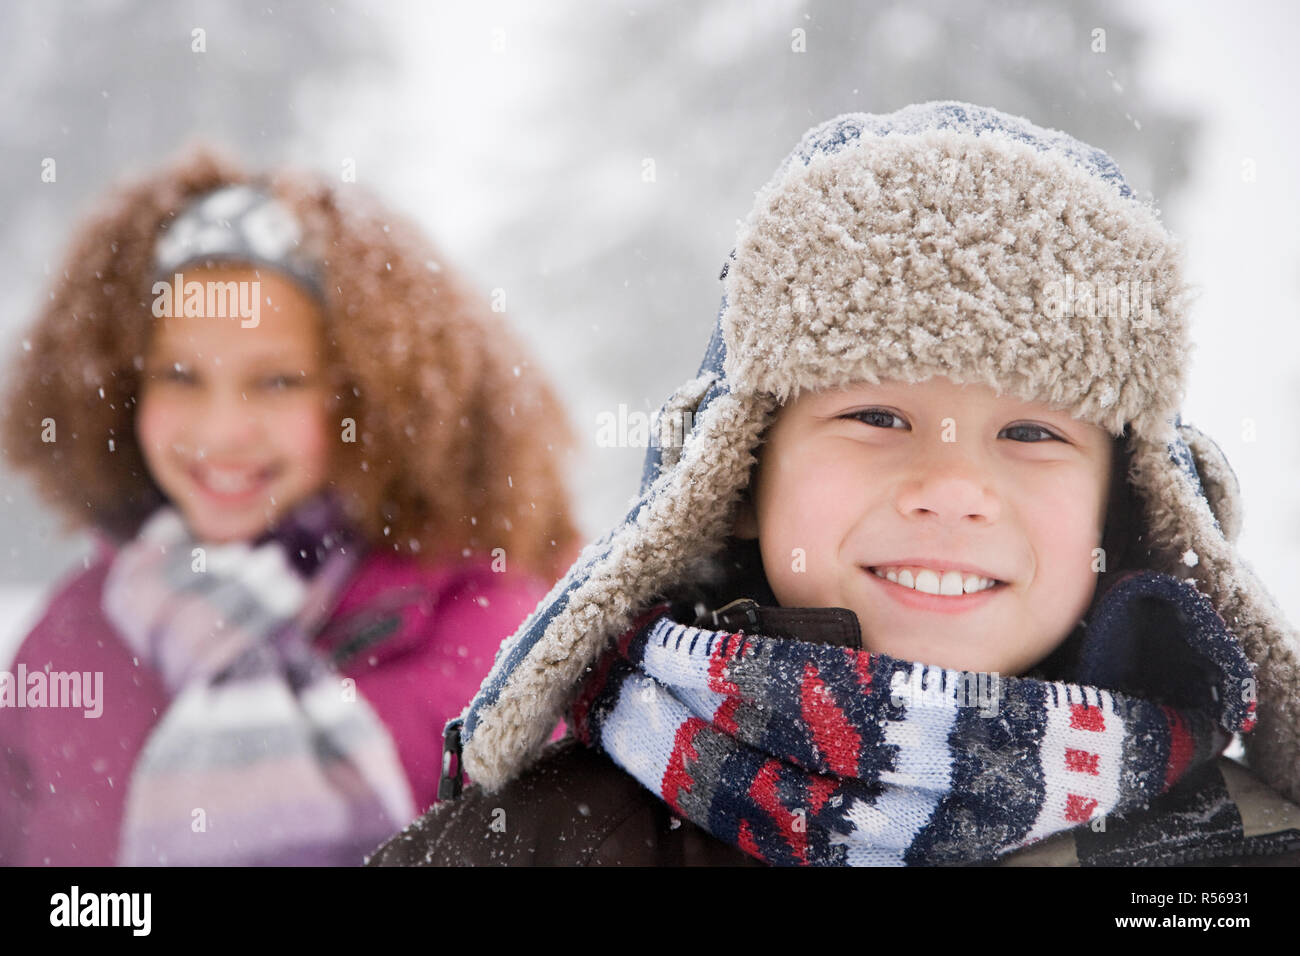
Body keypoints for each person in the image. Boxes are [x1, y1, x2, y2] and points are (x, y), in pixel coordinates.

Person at [369, 102, 1300, 867]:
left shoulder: (1239, 858)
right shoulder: (534, 847)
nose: (951, 488)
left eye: (1031, 431)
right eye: (877, 418)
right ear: (735, 474)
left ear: (1125, 504)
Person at [0, 146, 579, 866]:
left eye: (276, 381)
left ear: (370, 397)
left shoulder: (499, 641)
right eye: (180, 376)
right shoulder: (73, 634)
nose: (220, 430)